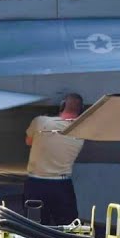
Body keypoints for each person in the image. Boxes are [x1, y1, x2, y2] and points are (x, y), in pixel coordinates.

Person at [23, 93, 86, 226]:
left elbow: (28, 141)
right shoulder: (81, 133)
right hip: (62, 186)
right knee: (67, 228)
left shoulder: (40, 122)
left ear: (62, 105)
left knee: (35, 227)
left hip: (36, 184)